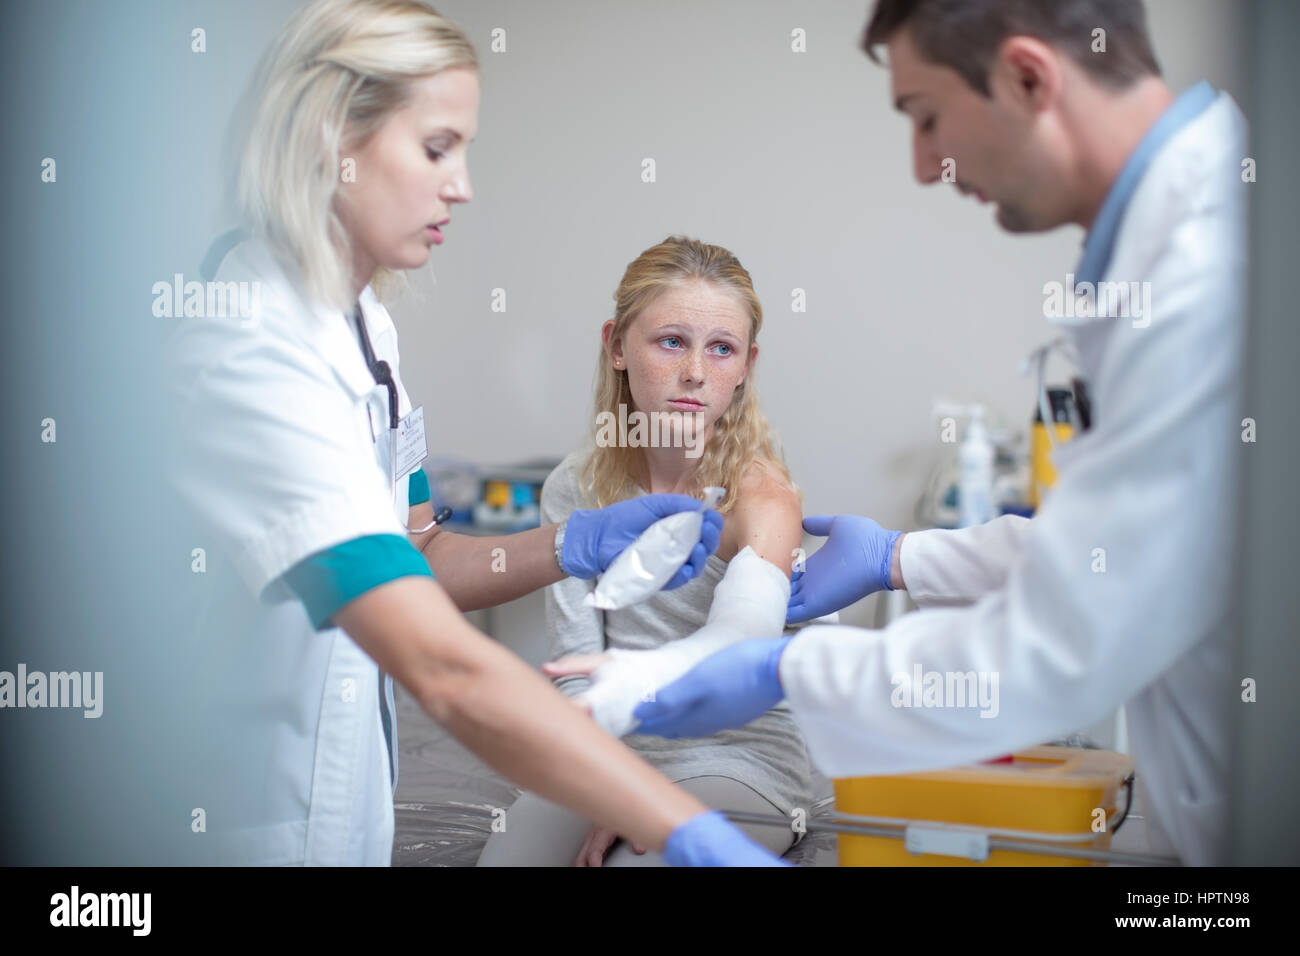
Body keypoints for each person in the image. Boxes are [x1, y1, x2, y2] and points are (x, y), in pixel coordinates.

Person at [167, 0, 785, 866]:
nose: (460, 186)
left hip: (342, 806)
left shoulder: (365, 334)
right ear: (329, 139)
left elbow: (419, 556)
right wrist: (674, 822)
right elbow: (445, 670)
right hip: (245, 816)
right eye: (435, 148)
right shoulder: (248, 354)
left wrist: (572, 543)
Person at [631, 0, 1247, 866]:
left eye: (925, 118)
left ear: (1029, 77)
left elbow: (1072, 634)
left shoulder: (1211, 266)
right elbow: (1130, 556)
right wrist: (899, 558)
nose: (925, 166)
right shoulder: (1176, 247)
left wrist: (781, 671)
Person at [476, 236, 815, 866]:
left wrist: (642, 799)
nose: (695, 373)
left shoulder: (762, 495)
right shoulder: (574, 489)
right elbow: (579, 668)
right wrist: (608, 781)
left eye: (722, 349)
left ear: (746, 365)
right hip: (617, 744)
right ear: (616, 346)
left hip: (738, 758)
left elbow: (741, 643)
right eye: (671, 341)